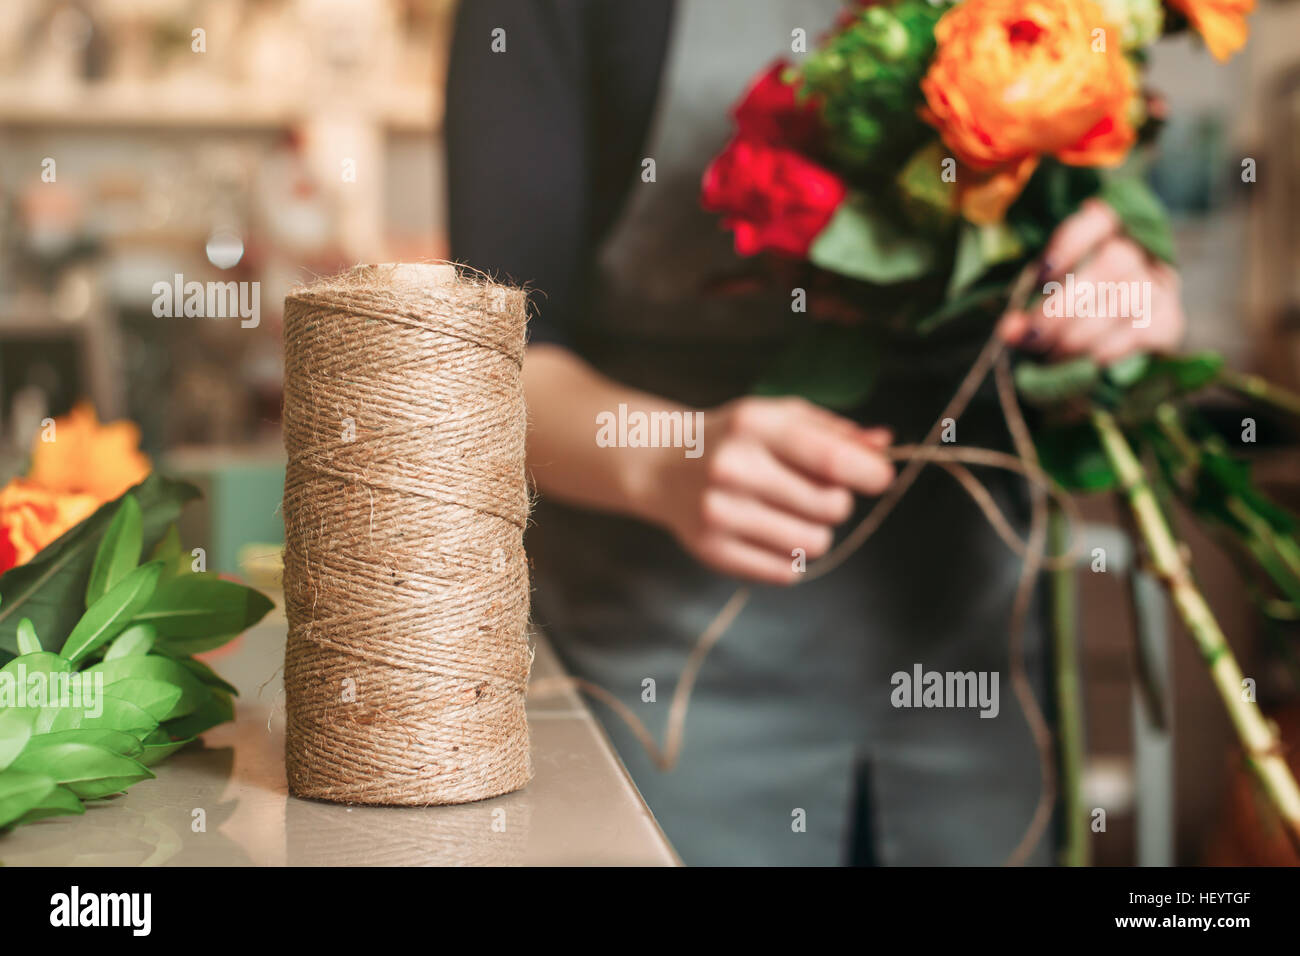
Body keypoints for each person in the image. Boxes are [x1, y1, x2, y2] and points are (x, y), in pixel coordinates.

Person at [446, 0, 1184, 865]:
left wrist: (1122, 291)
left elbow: (1087, 242)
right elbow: (485, 367)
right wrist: (666, 459)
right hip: (664, 678)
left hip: (982, 671)